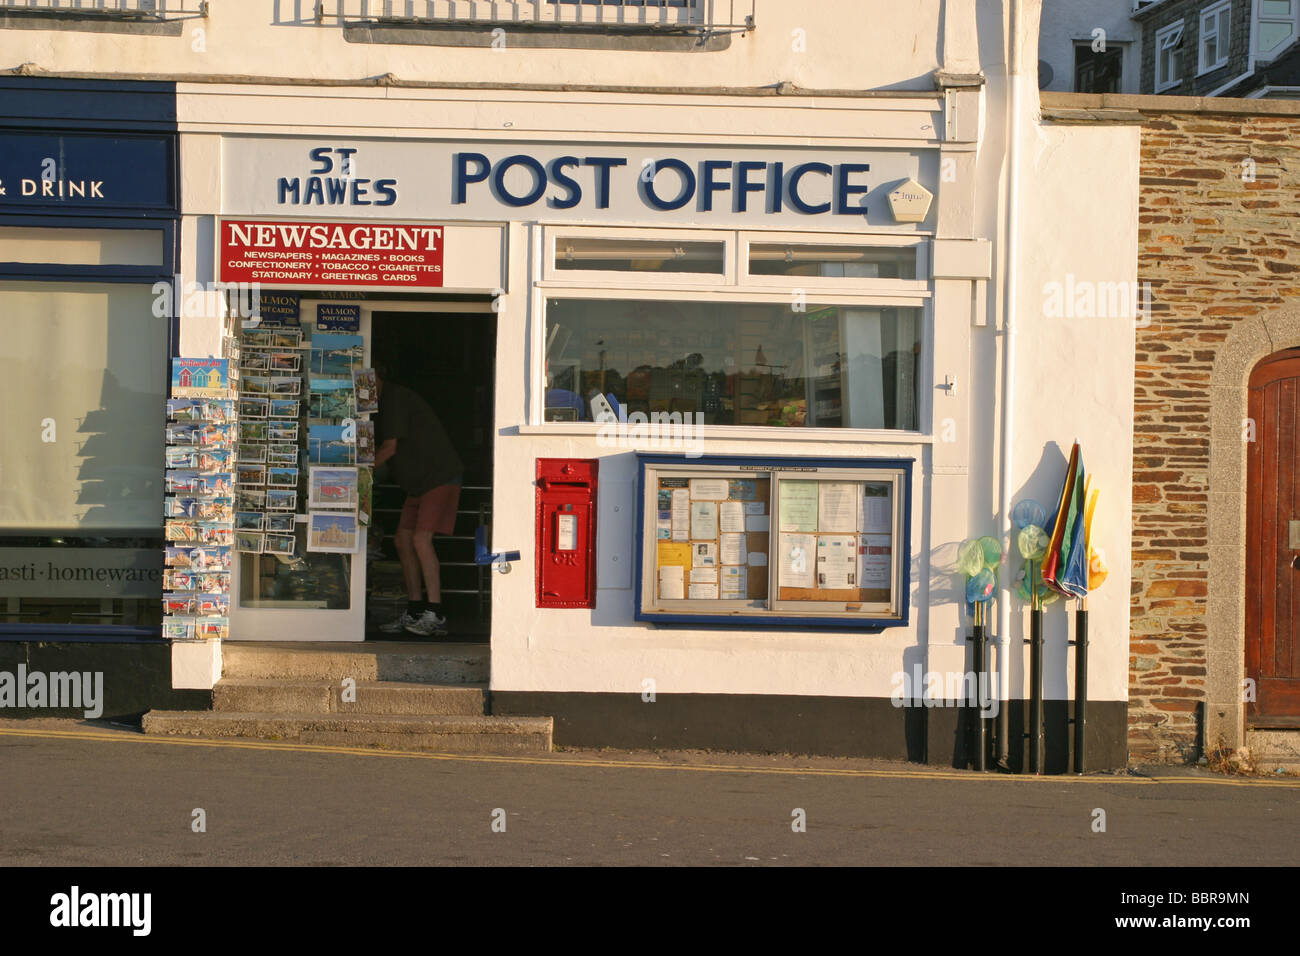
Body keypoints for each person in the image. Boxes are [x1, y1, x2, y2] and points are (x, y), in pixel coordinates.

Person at [372, 364, 463, 638]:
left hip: (439, 476)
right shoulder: (385, 402)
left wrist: (358, 472)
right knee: (403, 540)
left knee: (421, 540)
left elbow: (389, 448)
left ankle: (435, 613)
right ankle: (414, 609)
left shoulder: (394, 398)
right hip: (417, 483)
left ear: (376, 375)